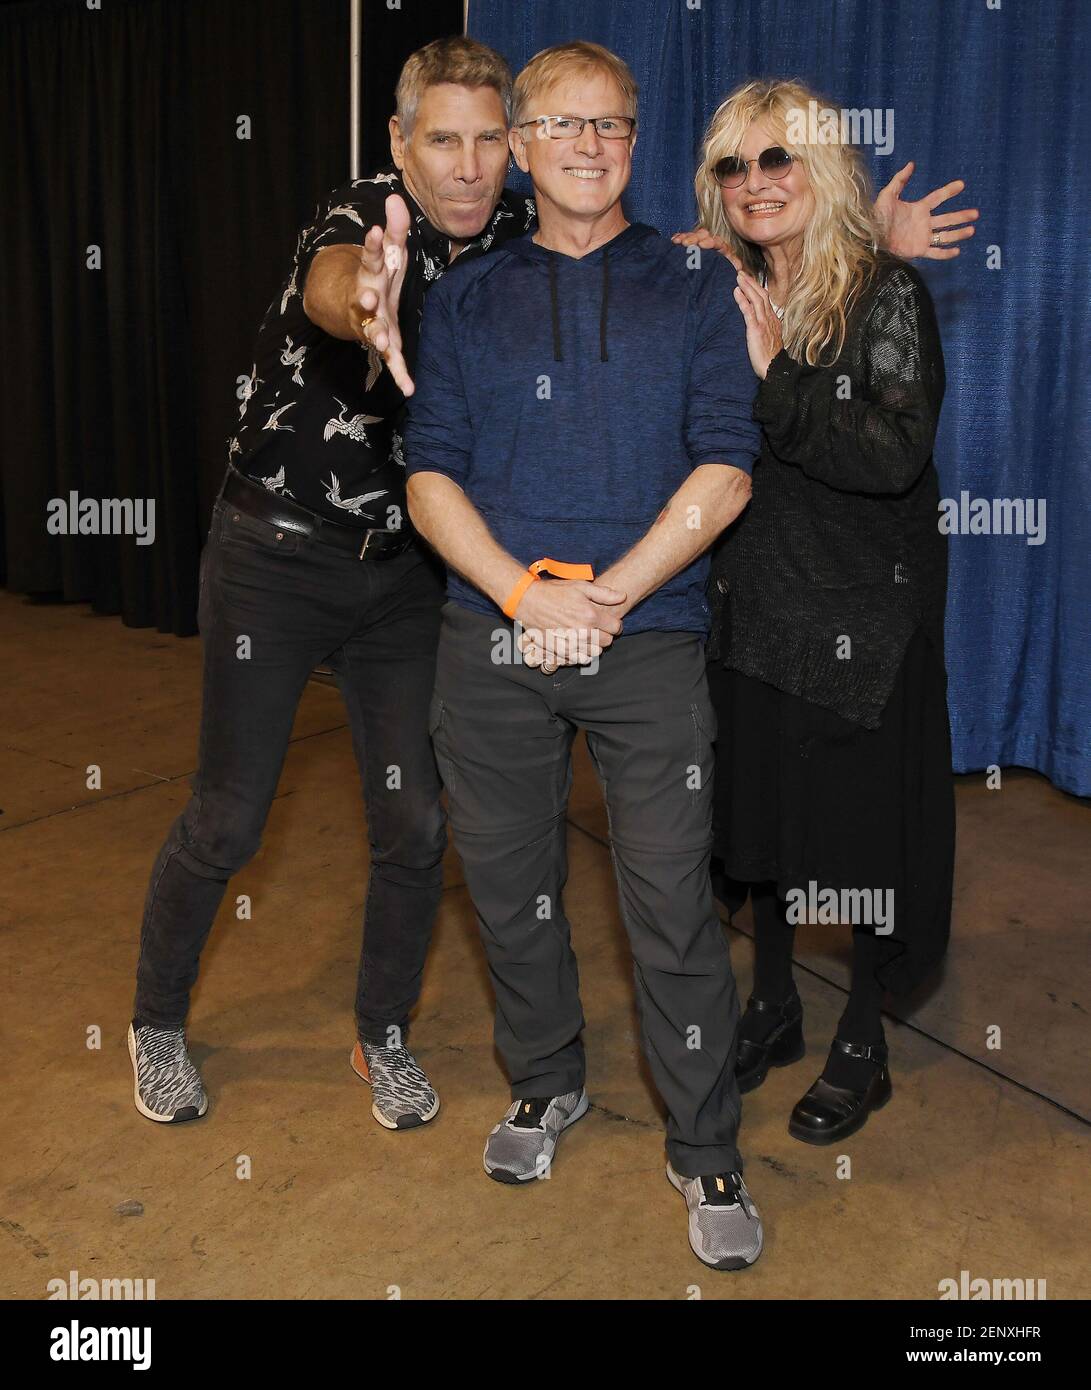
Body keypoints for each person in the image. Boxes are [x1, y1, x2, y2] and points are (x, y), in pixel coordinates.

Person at [404, 40, 769, 1272]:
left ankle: (705, 1145)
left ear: (630, 139)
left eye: (611, 125)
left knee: (669, 906)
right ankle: (545, 1082)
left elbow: (725, 466)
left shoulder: (691, 286)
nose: (589, 146)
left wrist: (601, 596)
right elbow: (428, 475)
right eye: (562, 125)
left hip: (646, 635)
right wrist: (521, 593)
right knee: (509, 891)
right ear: (517, 147)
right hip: (491, 635)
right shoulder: (461, 298)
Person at [128, 37, 533, 1131]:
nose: (464, 166)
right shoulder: (364, 213)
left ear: (512, 142)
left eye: (486, 138)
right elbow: (332, 280)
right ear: (398, 144)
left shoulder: (517, 223)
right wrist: (367, 297)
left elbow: (635, 260)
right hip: (275, 556)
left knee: (414, 823)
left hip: (401, 580)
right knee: (228, 817)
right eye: (439, 139)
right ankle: (156, 1021)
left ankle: (383, 1031)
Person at [695, 79, 957, 1144]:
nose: (755, 182)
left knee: (852, 847)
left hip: (859, 620)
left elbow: (893, 456)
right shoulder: (720, 282)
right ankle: (770, 1002)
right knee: (757, 824)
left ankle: (862, 1037)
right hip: (749, 603)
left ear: (823, 168)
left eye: (778, 158)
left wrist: (776, 380)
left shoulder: (883, 294)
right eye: (732, 165)